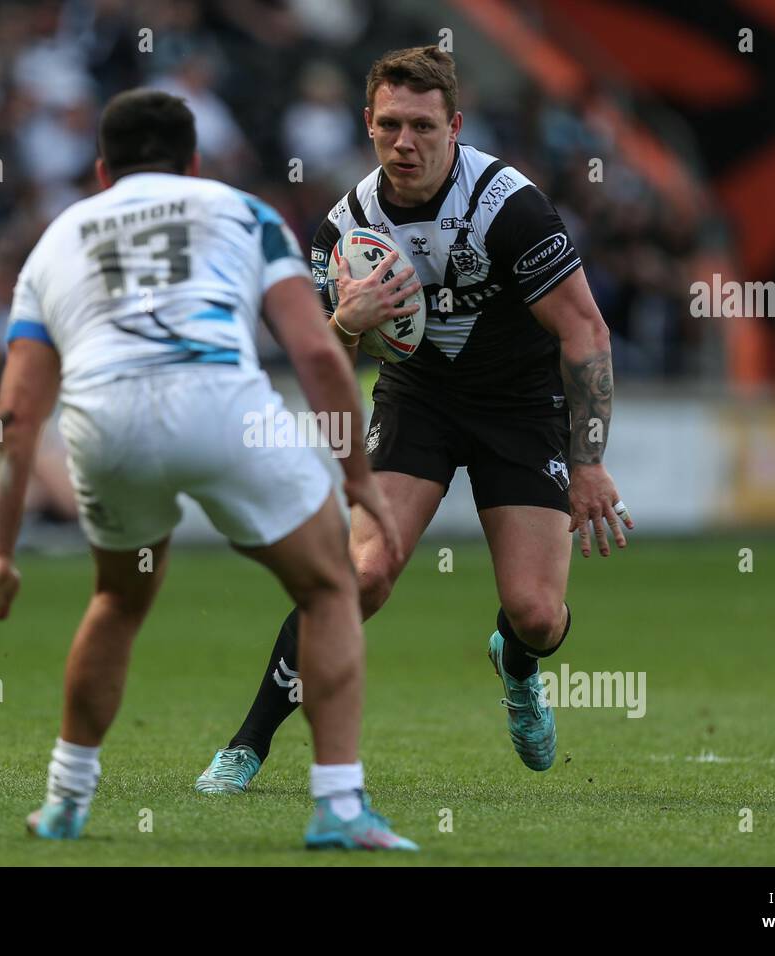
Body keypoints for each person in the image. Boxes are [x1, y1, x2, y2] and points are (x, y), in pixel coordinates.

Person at [0, 88, 416, 851]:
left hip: (107, 423)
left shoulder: (57, 239)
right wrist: (359, 476)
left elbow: (14, 417)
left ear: (103, 172)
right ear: (194, 164)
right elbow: (313, 352)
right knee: (332, 584)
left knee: (118, 601)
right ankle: (338, 806)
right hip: (221, 407)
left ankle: (66, 799)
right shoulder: (241, 211)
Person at [196, 46, 633, 794]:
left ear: (454, 126)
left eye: (424, 127)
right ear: (367, 124)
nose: (406, 143)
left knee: (535, 613)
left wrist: (588, 460)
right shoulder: (343, 231)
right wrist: (345, 321)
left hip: (522, 405)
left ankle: (518, 663)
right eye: (390, 125)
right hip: (417, 399)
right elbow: (314, 361)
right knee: (360, 577)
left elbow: (586, 333)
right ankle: (246, 746)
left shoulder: (507, 205)